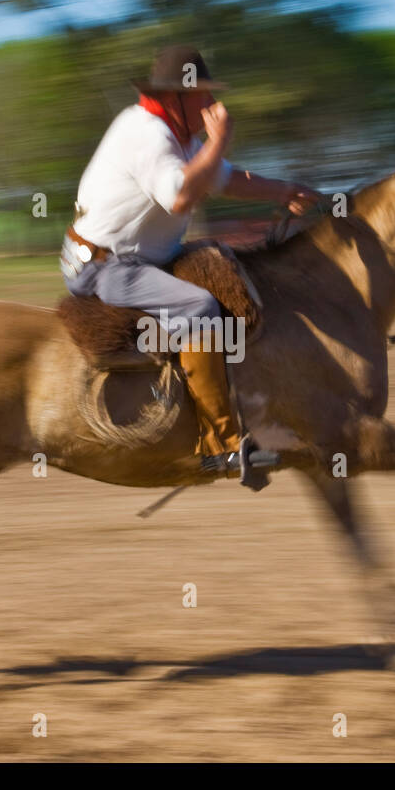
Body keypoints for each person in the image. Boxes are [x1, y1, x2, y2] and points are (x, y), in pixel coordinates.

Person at [61, 45, 323, 479]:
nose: (211, 105)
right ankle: (221, 445)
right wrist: (220, 139)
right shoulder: (146, 133)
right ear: (173, 98)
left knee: (230, 269)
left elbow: (221, 177)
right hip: (106, 267)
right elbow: (182, 193)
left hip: (140, 258)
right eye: (201, 94)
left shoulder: (179, 137)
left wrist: (282, 190)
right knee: (198, 308)